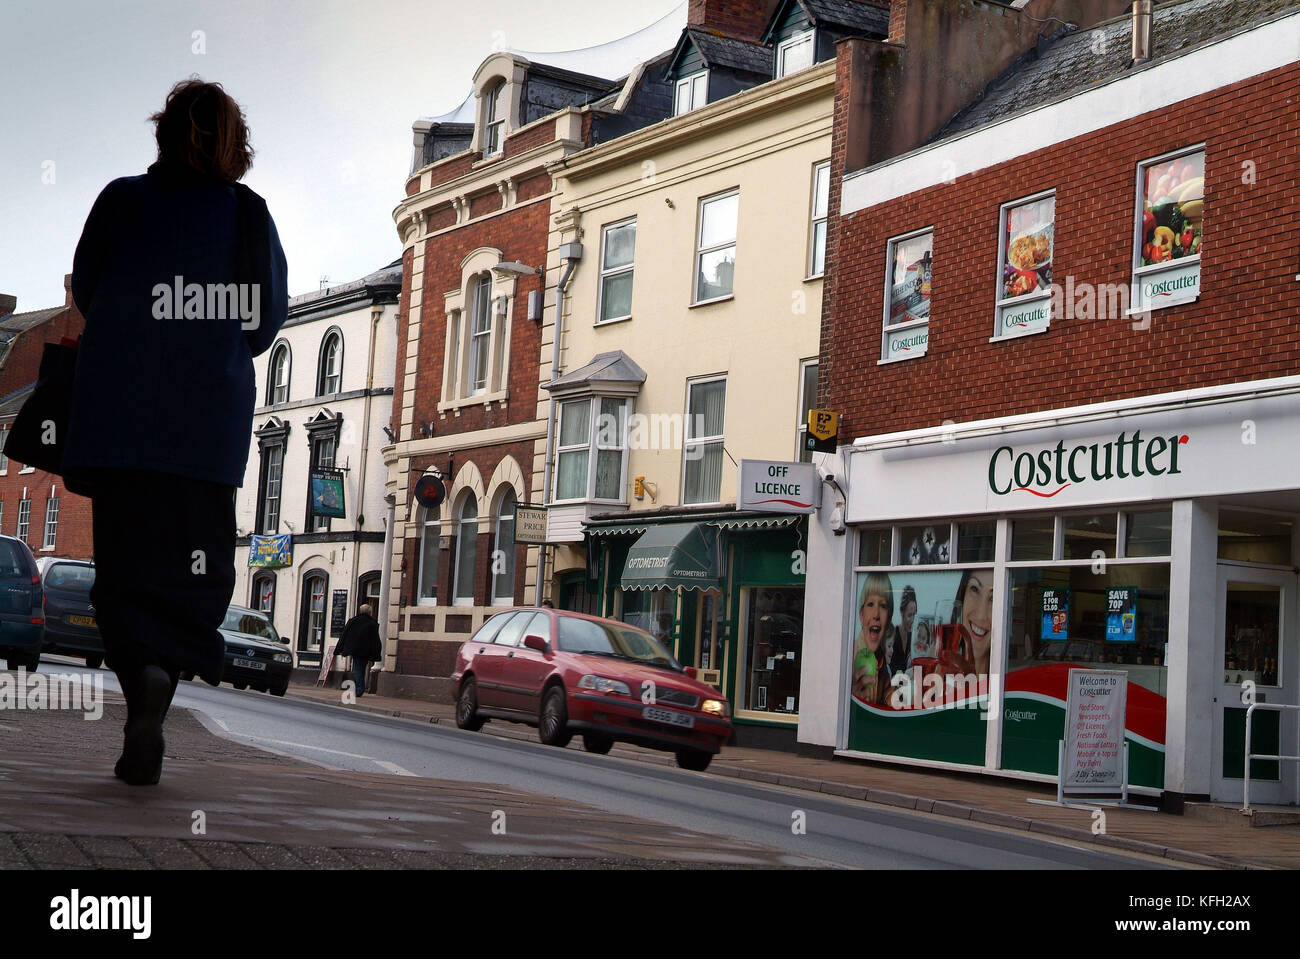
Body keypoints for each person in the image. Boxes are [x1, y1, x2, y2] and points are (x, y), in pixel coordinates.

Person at [65, 78, 287, 785]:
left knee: (124, 573)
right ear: (233, 142)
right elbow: (264, 322)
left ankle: (142, 683)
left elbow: (87, 289)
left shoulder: (122, 200)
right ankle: (163, 675)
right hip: (203, 431)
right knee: (195, 574)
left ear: (162, 132)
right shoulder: (248, 216)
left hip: (122, 422)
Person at [937, 568, 994, 679]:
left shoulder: (1010, 685)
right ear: (963, 596)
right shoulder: (927, 673)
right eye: (975, 589)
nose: (981, 616)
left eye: (993, 598)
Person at [852, 572, 899, 706]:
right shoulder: (850, 657)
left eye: (883, 606)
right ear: (861, 616)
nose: (876, 614)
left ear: (889, 619)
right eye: (870, 604)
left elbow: (887, 697)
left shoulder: (880, 661)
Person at [336, 604, 383, 698]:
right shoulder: (372, 623)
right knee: (361, 669)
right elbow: (376, 640)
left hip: (355, 650)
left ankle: (360, 689)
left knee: (357, 669)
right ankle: (360, 688)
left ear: (360, 611)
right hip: (367, 651)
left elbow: (344, 636)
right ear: (370, 612)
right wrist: (376, 653)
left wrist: (340, 649)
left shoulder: (353, 621)